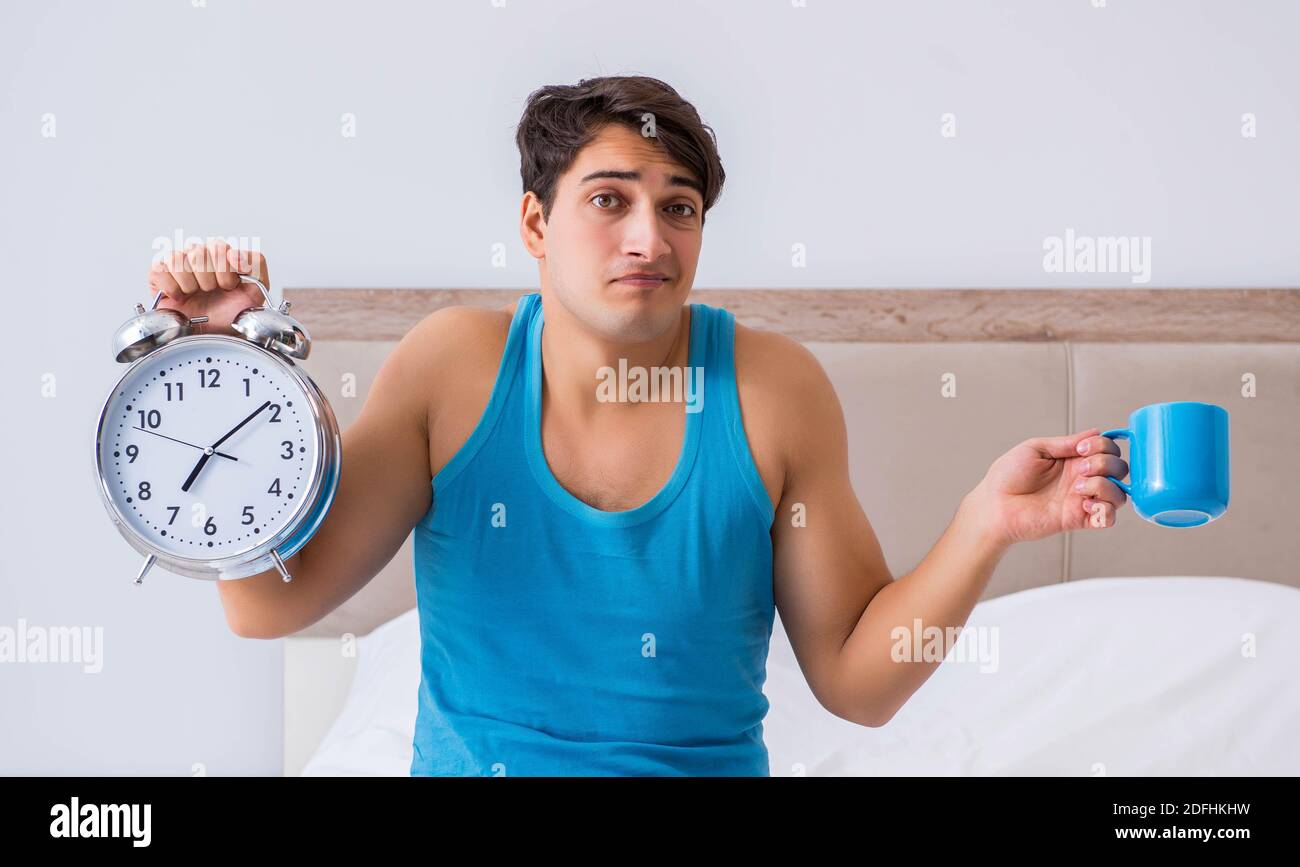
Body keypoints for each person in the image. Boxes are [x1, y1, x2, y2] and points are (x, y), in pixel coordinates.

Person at [146, 75, 1129, 776]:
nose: (648, 239)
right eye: (608, 201)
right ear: (535, 224)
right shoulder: (454, 368)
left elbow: (858, 684)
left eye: (680, 208)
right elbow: (265, 606)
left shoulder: (771, 389)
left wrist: (984, 525)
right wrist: (231, 370)